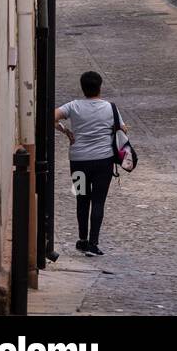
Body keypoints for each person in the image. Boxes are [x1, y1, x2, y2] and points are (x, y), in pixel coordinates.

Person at [54, 71, 127, 256]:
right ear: (100, 86)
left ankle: (82, 239)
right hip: (104, 162)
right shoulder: (110, 108)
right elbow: (122, 128)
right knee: (98, 201)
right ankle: (93, 243)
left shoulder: (73, 106)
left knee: (81, 198)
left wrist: (66, 131)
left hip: (78, 161)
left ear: (82, 87)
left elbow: (51, 116)